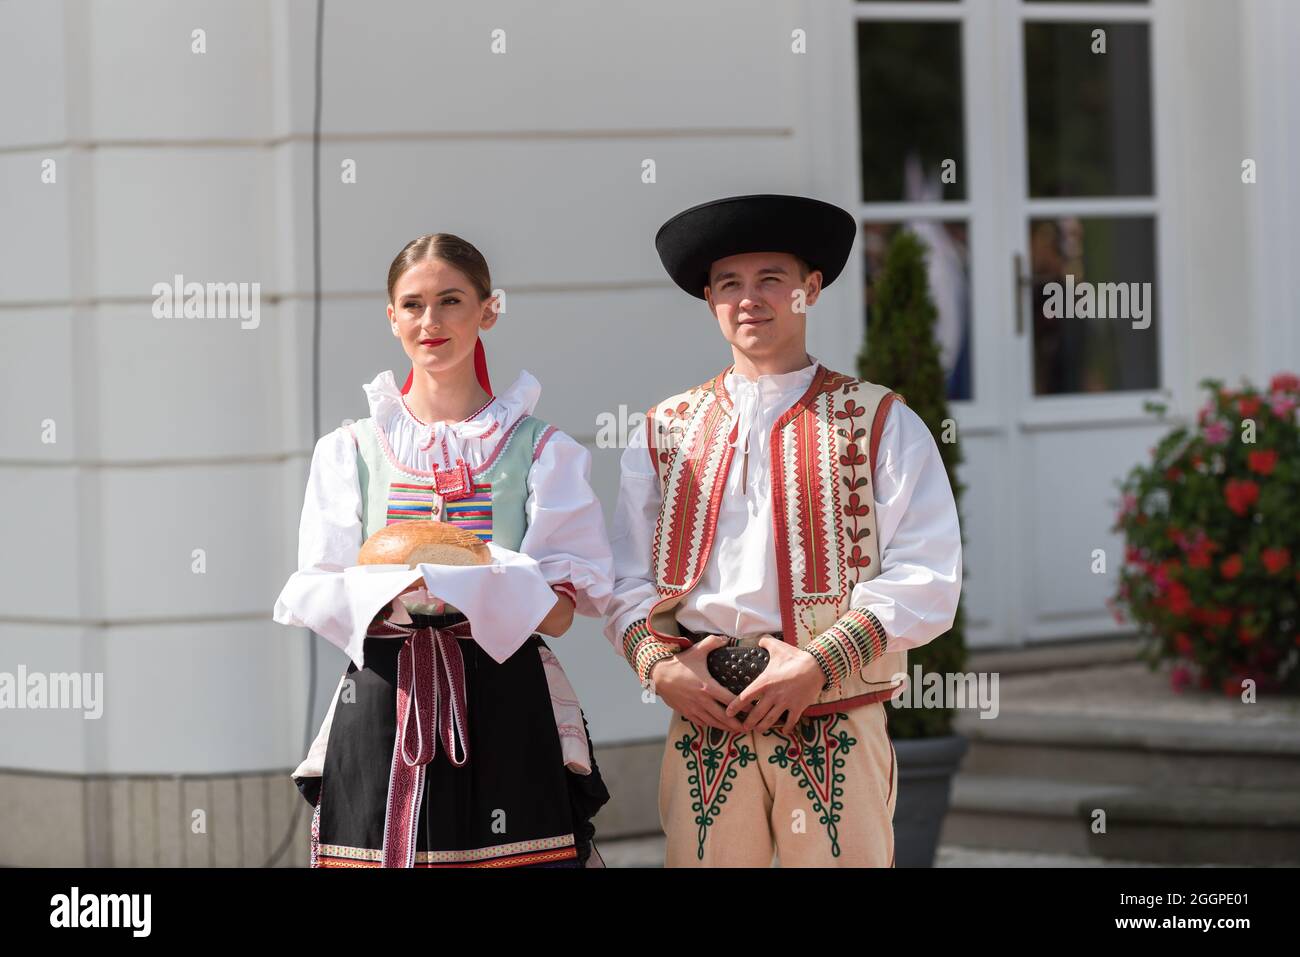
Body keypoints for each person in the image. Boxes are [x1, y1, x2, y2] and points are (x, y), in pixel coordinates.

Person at [604, 194, 963, 867]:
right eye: (729, 284)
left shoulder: (879, 420)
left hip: (832, 709)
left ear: (811, 288)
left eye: (771, 278)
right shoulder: (664, 428)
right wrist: (660, 666)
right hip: (705, 715)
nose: (749, 299)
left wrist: (820, 662)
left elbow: (928, 575)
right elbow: (622, 576)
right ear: (709, 298)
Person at [274, 233, 614, 868]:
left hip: (505, 689)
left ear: (488, 310)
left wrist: (477, 582)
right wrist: (403, 588)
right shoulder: (349, 450)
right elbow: (319, 587)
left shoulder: (542, 449)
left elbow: (561, 615)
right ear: (392, 318)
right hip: (383, 692)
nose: (430, 321)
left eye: (451, 301)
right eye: (413, 305)